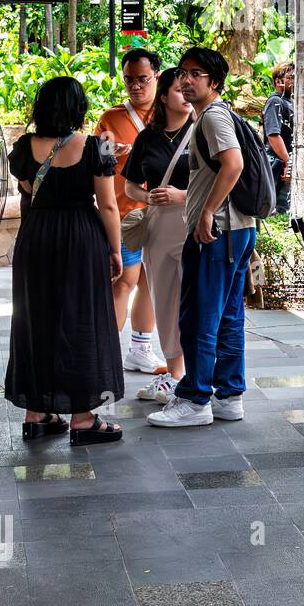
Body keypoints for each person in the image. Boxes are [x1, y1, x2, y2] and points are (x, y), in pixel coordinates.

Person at [6, 77, 124, 447]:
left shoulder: (24, 146)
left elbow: (27, 188)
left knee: (34, 318)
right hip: (80, 238)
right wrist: (116, 249)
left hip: (37, 237)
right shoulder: (98, 146)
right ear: (77, 108)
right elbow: (107, 204)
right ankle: (83, 418)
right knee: (81, 319)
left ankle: (37, 414)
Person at [148, 47, 256, 429]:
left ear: (215, 82)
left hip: (218, 232)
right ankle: (229, 395)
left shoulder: (211, 117)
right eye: (183, 72)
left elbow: (234, 163)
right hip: (236, 231)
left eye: (197, 74)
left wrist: (208, 211)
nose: (186, 79)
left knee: (198, 317)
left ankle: (195, 400)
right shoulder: (215, 115)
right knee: (227, 316)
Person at [123, 68, 194, 403]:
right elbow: (130, 184)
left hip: (195, 222)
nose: (188, 92)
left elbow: (224, 178)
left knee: (196, 299)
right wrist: (147, 196)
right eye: (181, 88)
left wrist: (183, 195)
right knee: (164, 301)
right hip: (158, 226)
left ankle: (197, 374)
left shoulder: (203, 129)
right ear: (164, 96)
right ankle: (173, 374)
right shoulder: (147, 138)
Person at [95, 49, 165, 374]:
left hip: (162, 213)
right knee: (125, 280)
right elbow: (99, 163)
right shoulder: (111, 118)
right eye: (129, 80)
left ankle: (140, 348)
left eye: (142, 79)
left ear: (157, 77)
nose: (135, 86)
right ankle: (106, 350)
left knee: (151, 281)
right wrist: (114, 153)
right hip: (125, 214)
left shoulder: (171, 113)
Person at [263, 61, 294, 215]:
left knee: (286, 209)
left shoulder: (291, 102)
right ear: (278, 81)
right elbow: (273, 135)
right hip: (277, 163)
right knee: (278, 210)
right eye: (291, 77)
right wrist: (287, 161)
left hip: (286, 161)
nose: (295, 81)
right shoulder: (275, 101)